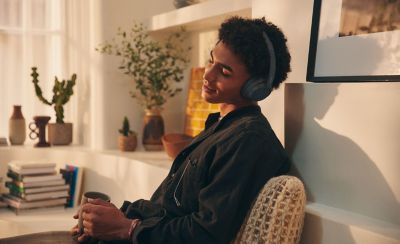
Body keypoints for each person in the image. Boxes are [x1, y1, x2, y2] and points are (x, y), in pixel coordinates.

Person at [71, 16, 291, 244]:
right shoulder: (221, 127)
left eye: (224, 71)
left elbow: (205, 234)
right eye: (211, 61)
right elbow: (167, 209)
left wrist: (127, 228)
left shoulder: (248, 141)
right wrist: (113, 217)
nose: (207, 74)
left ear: (255, 87)